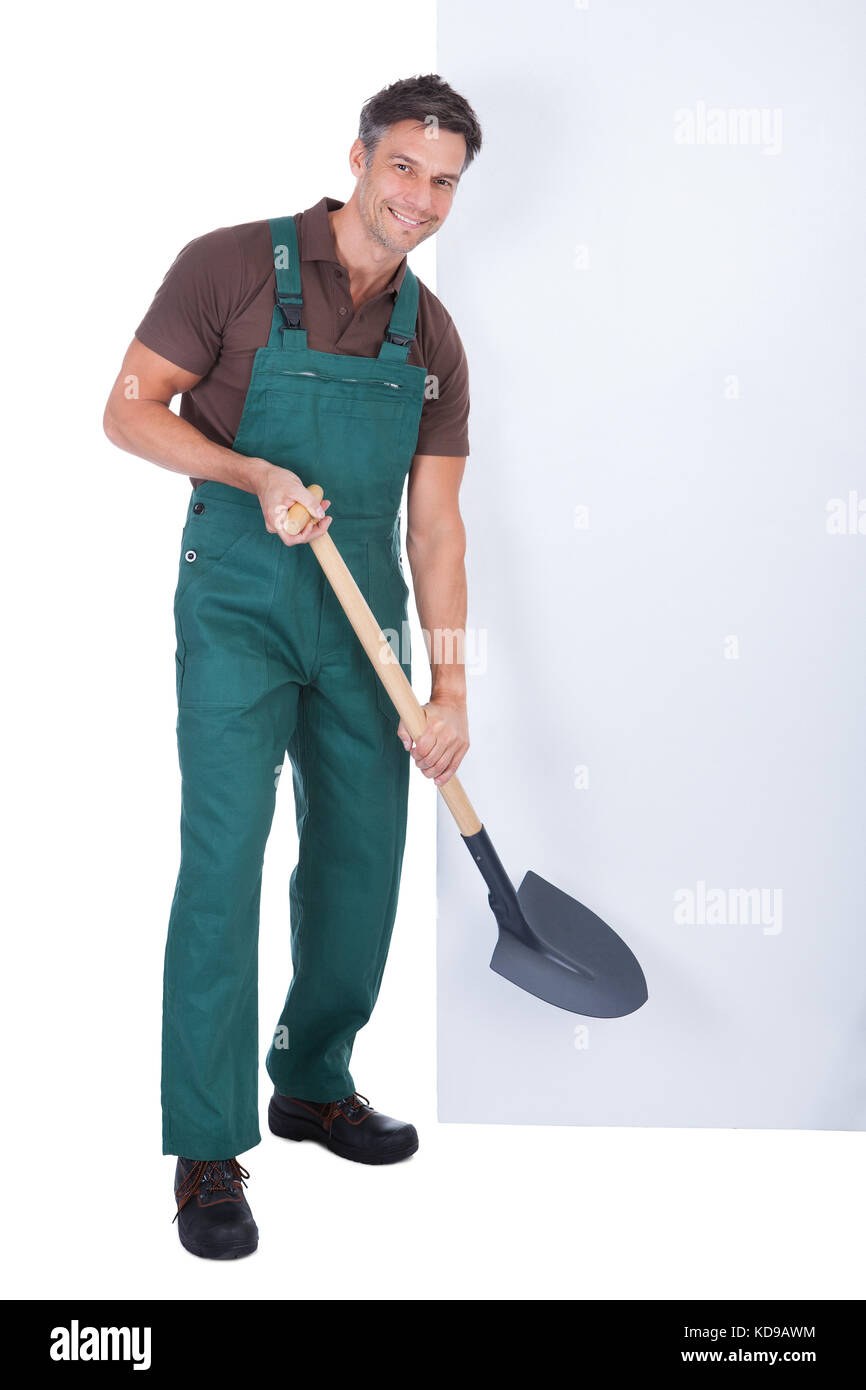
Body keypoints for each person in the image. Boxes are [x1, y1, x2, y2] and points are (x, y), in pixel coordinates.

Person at [103, 73, 481, 1260]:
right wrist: (251, 475)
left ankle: (312, 1080)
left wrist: (452, 685)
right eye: (405, 167)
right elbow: (127, 410)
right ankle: (206, 1147)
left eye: (445, 182)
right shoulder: (227, 265)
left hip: (364, 615)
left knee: (362, 857)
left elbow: (434, 529)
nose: (419, 199)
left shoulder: (430, 335)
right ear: (360, 158)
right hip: (239, 603)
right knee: (223, 854)